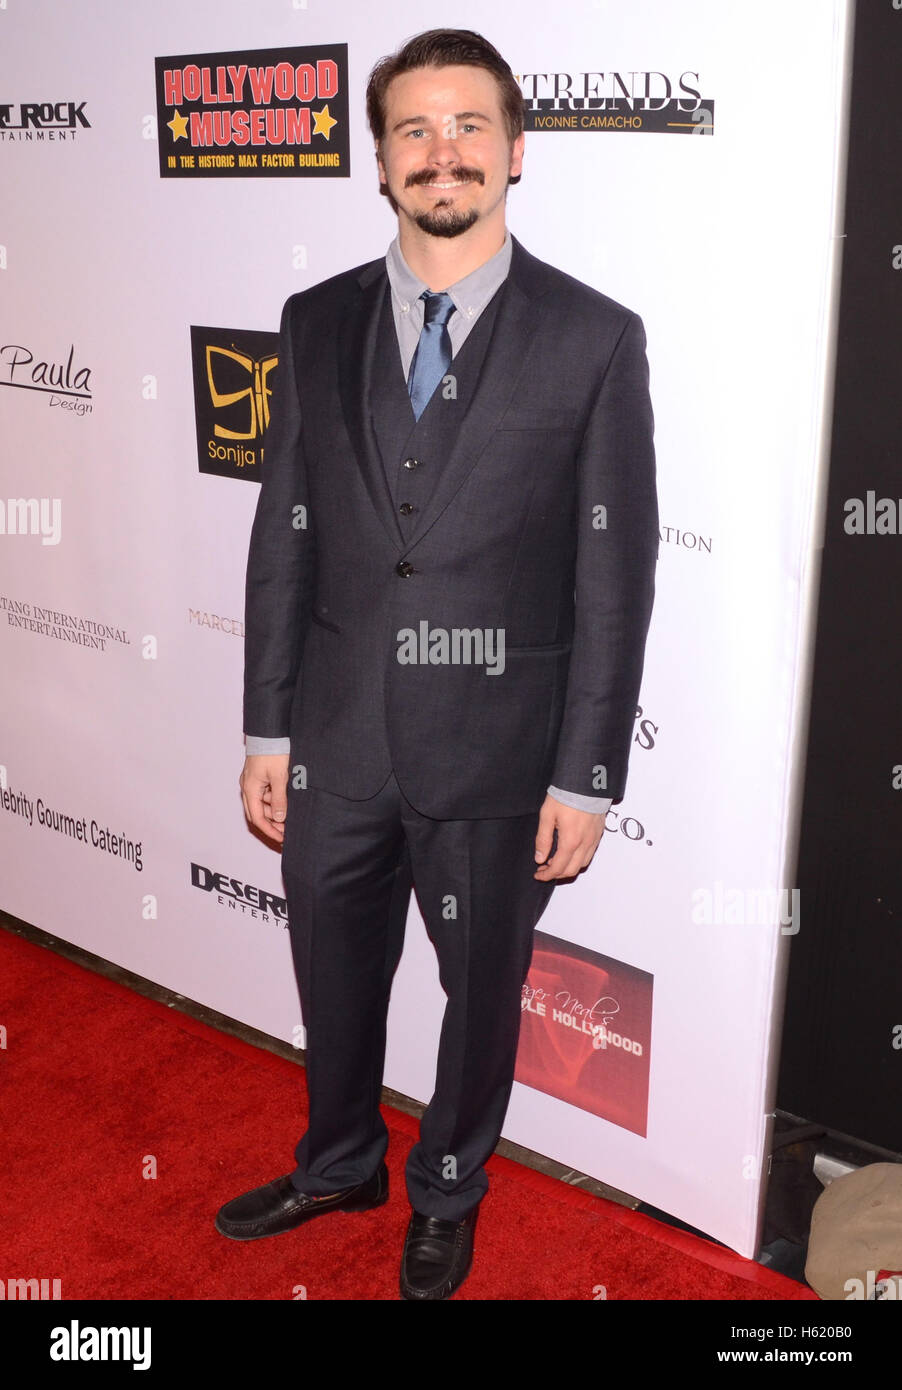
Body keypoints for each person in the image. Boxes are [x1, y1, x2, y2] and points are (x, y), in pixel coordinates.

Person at [215, 27, 658, 1301]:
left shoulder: (592, 338)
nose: (440, 151)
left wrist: (584, 772)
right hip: (337, 743)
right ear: (380, 162)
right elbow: (280, 539)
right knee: (334, 976)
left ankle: (448, 1186)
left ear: (515, 153)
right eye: (412, 130)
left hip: (498, 752)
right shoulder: (315, 320)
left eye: (467, 126)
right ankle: (340, 1158)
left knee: (478, 1000)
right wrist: (266, 730)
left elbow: (612, 576)